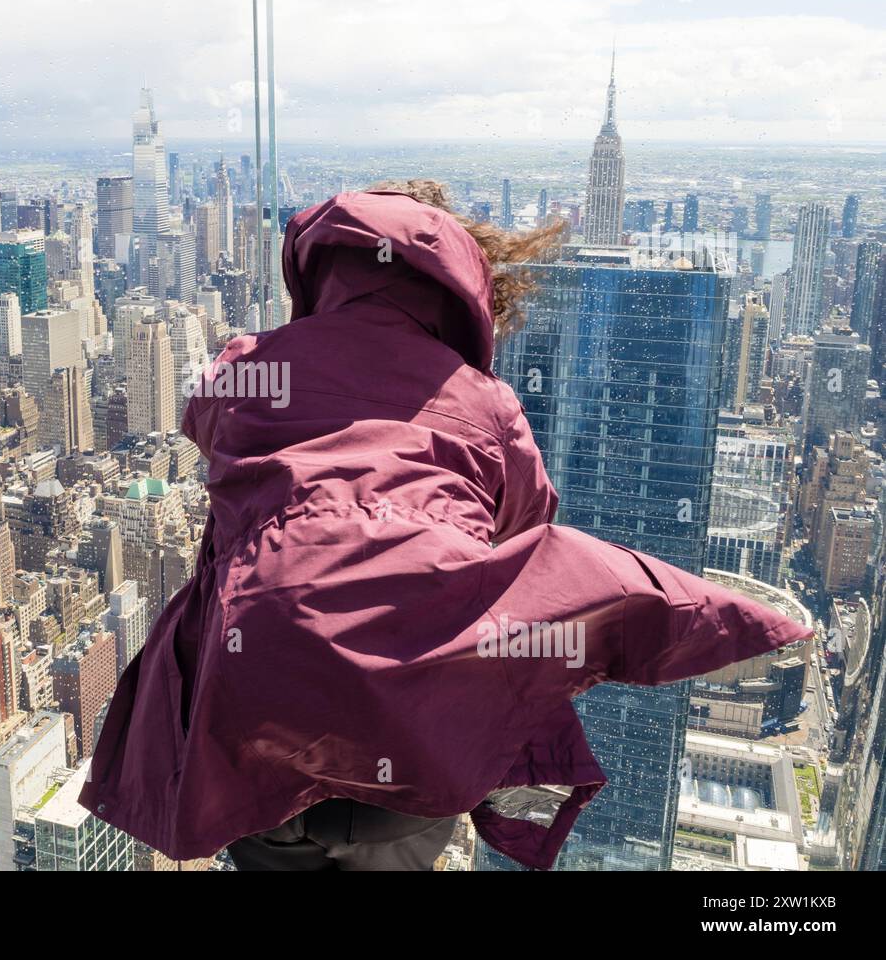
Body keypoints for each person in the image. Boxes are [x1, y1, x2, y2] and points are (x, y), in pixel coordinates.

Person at [78, 181, 811, 871]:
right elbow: (525, 530)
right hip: (407, 748)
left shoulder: (253, 365)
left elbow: (201, 415)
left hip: (252, 722)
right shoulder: (485, 403)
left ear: (322, 266)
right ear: (459, 288)